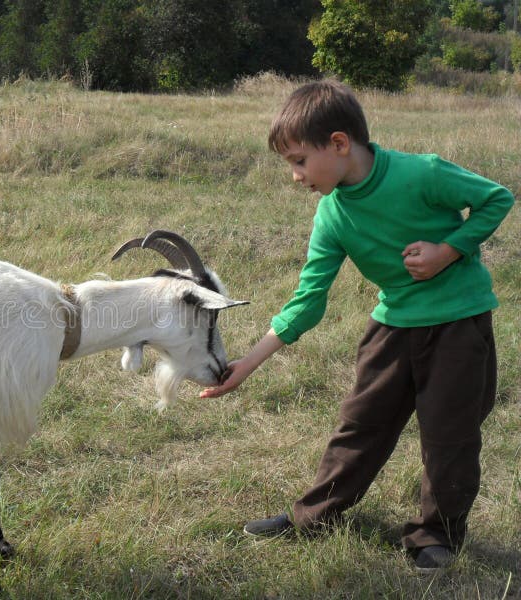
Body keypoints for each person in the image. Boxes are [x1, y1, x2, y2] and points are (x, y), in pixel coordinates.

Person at [200, 79, 515, 573]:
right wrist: (248, 364)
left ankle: (437, 535)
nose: (296, 176)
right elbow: (308, 299)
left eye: (300, 161)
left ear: (340, 143)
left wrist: (449, 249)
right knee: (359, 425)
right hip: (391, 329)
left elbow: (497, 198)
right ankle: (315, 517)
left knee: (448, 437)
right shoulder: (332, 215)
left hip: (459, 324)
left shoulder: (422, 173)